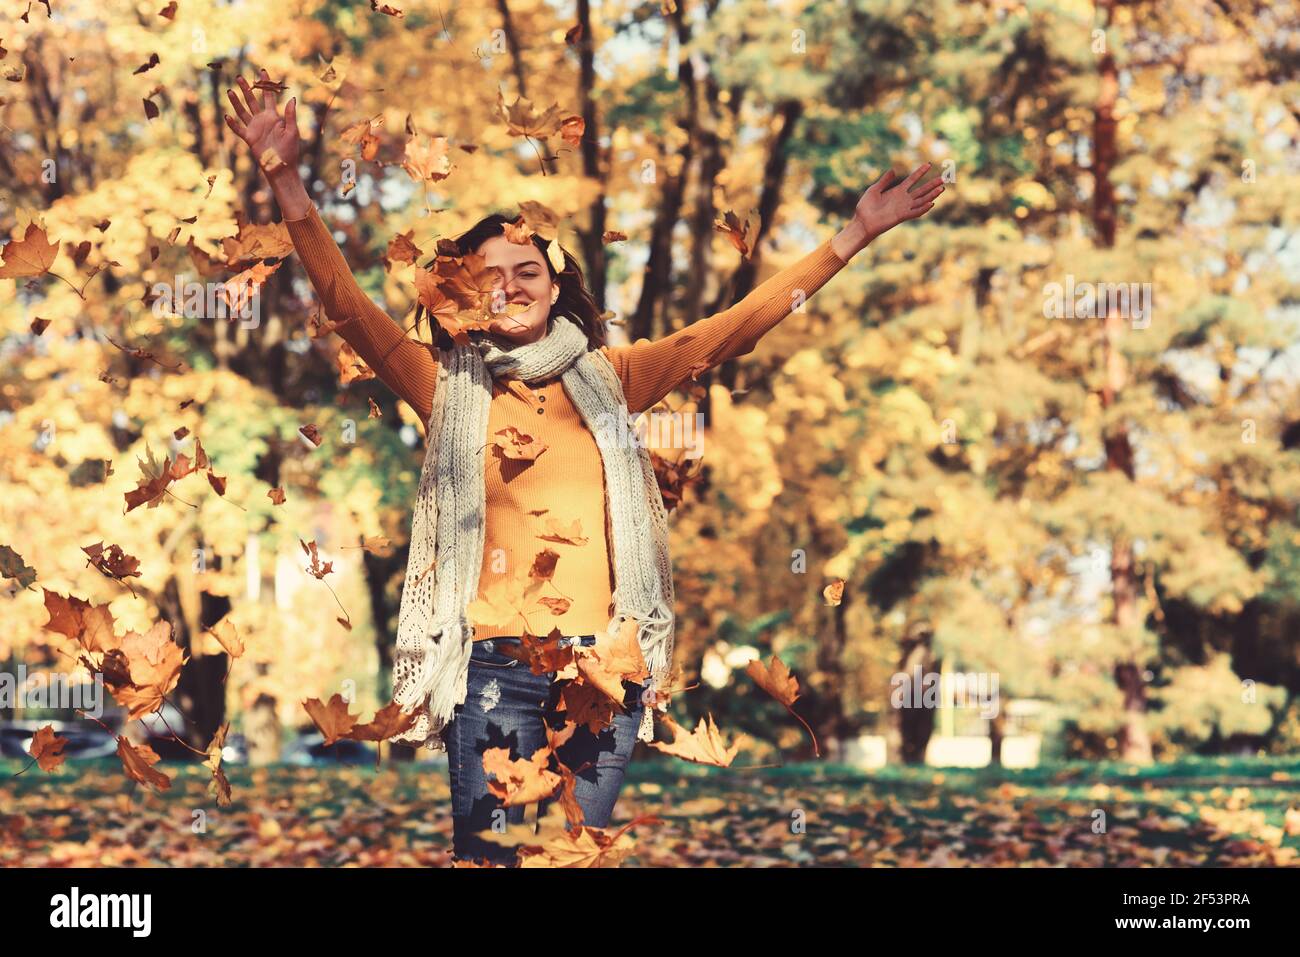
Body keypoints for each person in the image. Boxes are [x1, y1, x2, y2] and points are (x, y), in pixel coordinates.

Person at [224, 69, 943, 865]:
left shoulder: (614, 377)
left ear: (558, 283)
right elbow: (345, 303)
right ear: (468, 290)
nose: (510, 285)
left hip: (604, 669)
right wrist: (284, 176)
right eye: (490, 274)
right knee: (501, 860)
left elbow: (733, 328)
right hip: (492, 670)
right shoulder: (440, 381)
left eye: (528, 270)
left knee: (569, 858)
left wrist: (850, 238)